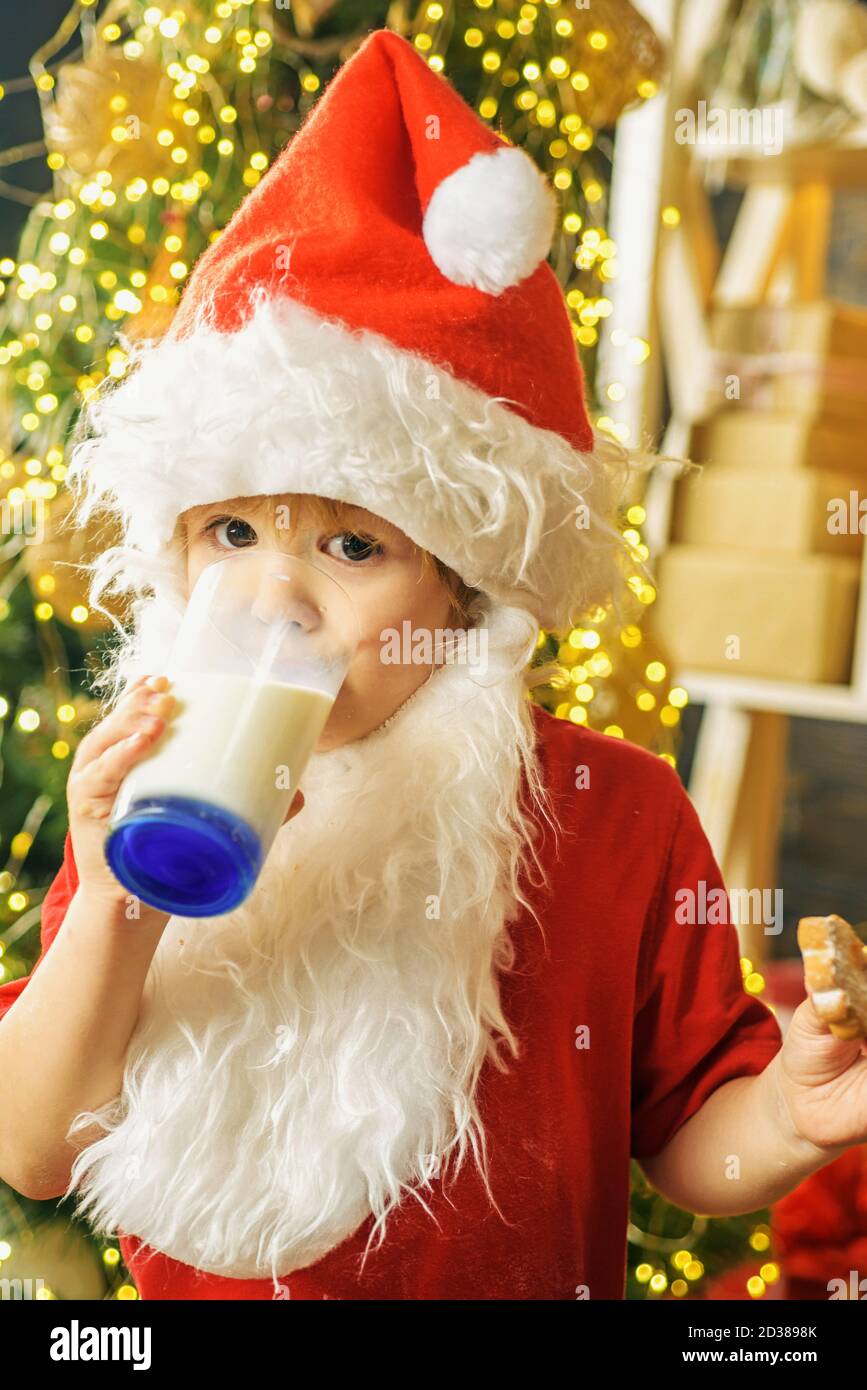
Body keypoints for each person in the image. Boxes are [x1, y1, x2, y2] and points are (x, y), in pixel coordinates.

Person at [1, 28, 865, 1302]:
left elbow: (688, 1139)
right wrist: (124, 900)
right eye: (230, 532)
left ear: (463, 594)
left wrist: (790, 1117)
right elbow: (33, 1148)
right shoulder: (148, 788)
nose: (273, 595)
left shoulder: (614, 814)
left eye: (352, 544)